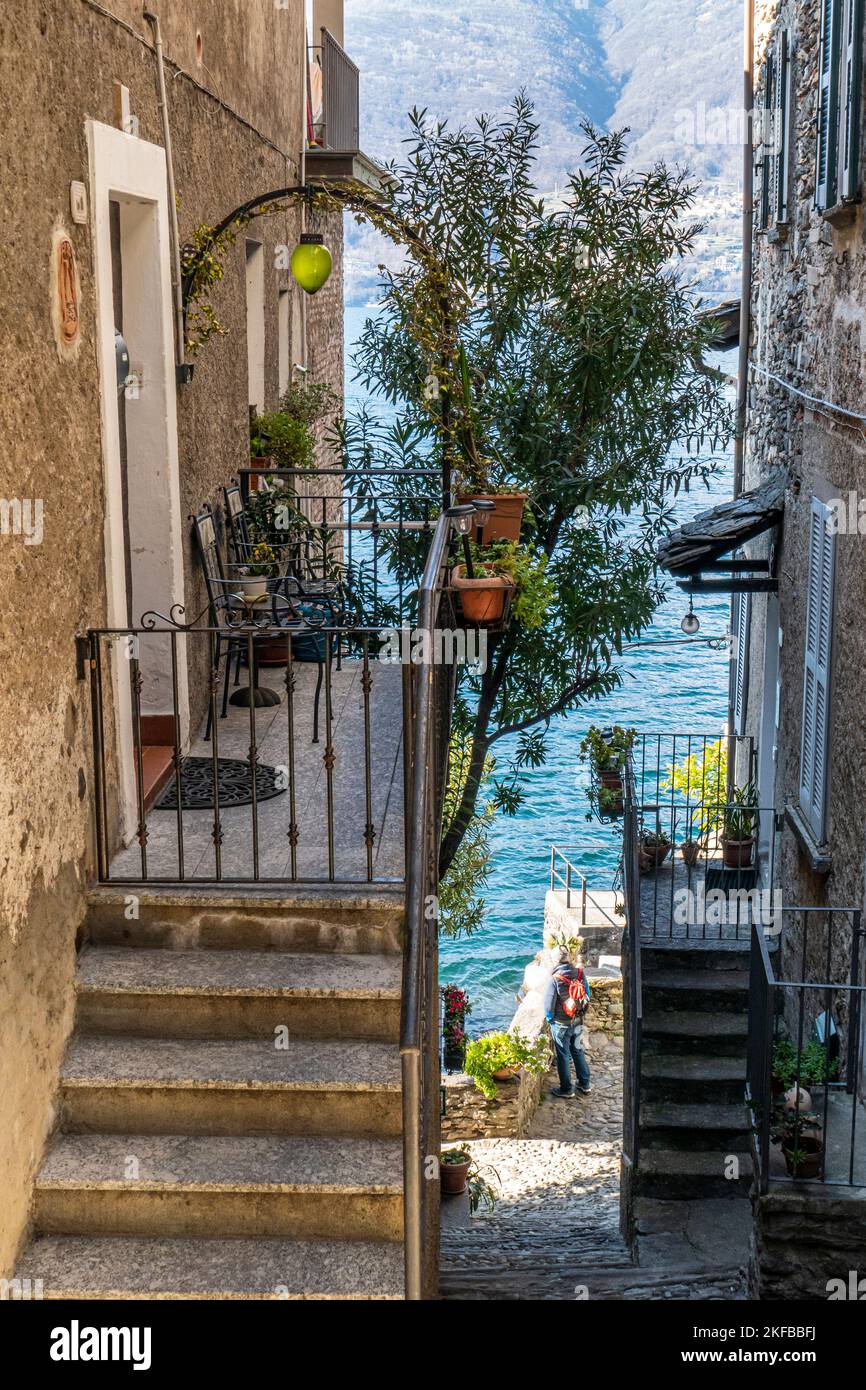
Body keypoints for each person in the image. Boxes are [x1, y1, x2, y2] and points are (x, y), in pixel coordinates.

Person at [543, 946, 592, 1098]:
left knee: (563, 1055)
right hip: (577, 1020)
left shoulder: (555, 979)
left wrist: (550, 1020)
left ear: (555, 960)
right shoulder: (579, 973)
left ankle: (566, 1089)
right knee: (578, 1050)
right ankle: (584, 1084)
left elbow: (548, 1004)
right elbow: (587, 995)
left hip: (561, 1024)